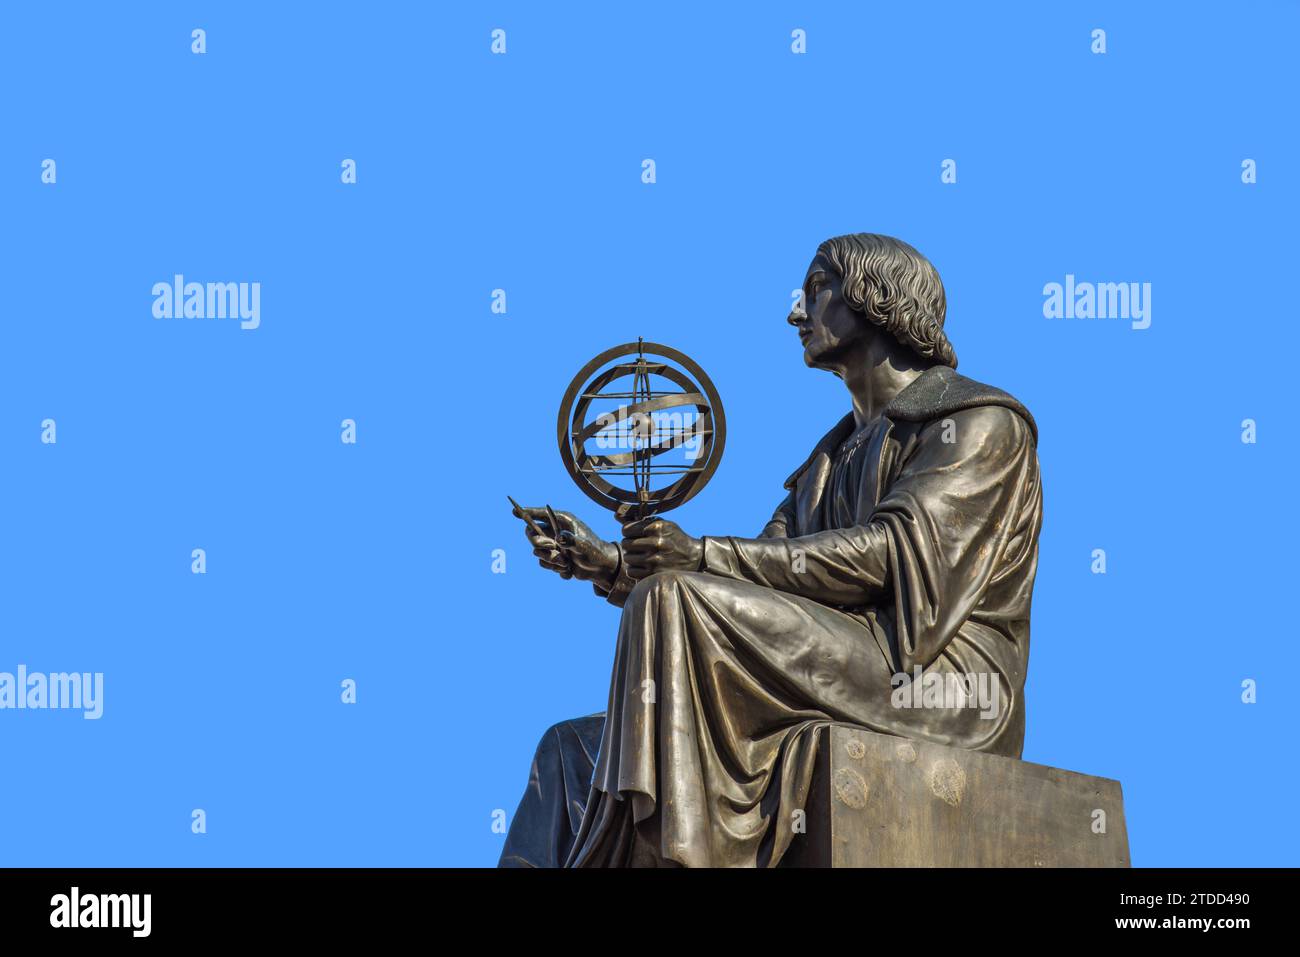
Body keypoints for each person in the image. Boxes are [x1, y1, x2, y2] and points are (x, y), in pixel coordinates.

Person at [502, 233, 1042, 868]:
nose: (796, 313)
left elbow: (890, 556)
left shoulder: (977, 423)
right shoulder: (825, 463)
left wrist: (696, 557)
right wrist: (615, 567)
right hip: (850, 662)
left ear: (877, 298)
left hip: (935, 680)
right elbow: (755, 582)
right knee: (569, 751)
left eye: (816, 292)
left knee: (673, 597)